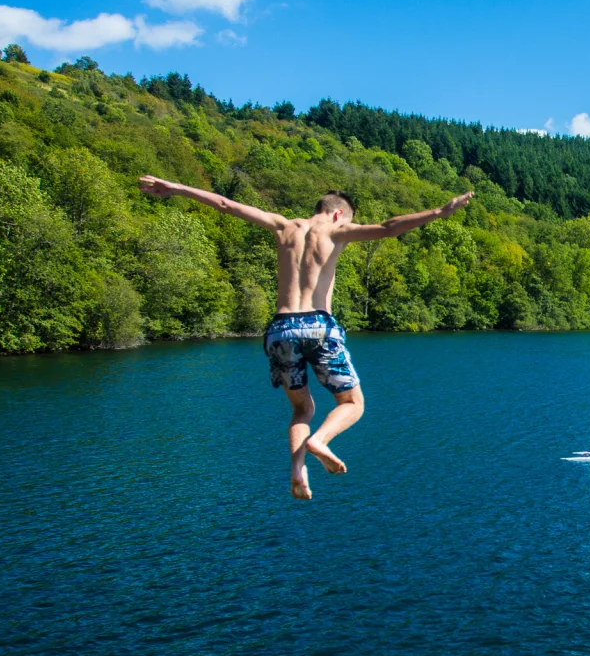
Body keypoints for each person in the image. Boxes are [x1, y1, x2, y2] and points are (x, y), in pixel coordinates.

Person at [136, 176, 473, 500]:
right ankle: (321, 441)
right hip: (318, 326)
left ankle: (298, 470)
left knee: (301, 409)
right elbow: (390, 227)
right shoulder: (338, 230)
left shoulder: (282, 225)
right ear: (339, 213)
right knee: (353, 404)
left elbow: (225, 204)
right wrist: (441, 212)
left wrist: (176, 188)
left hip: (281, 329)